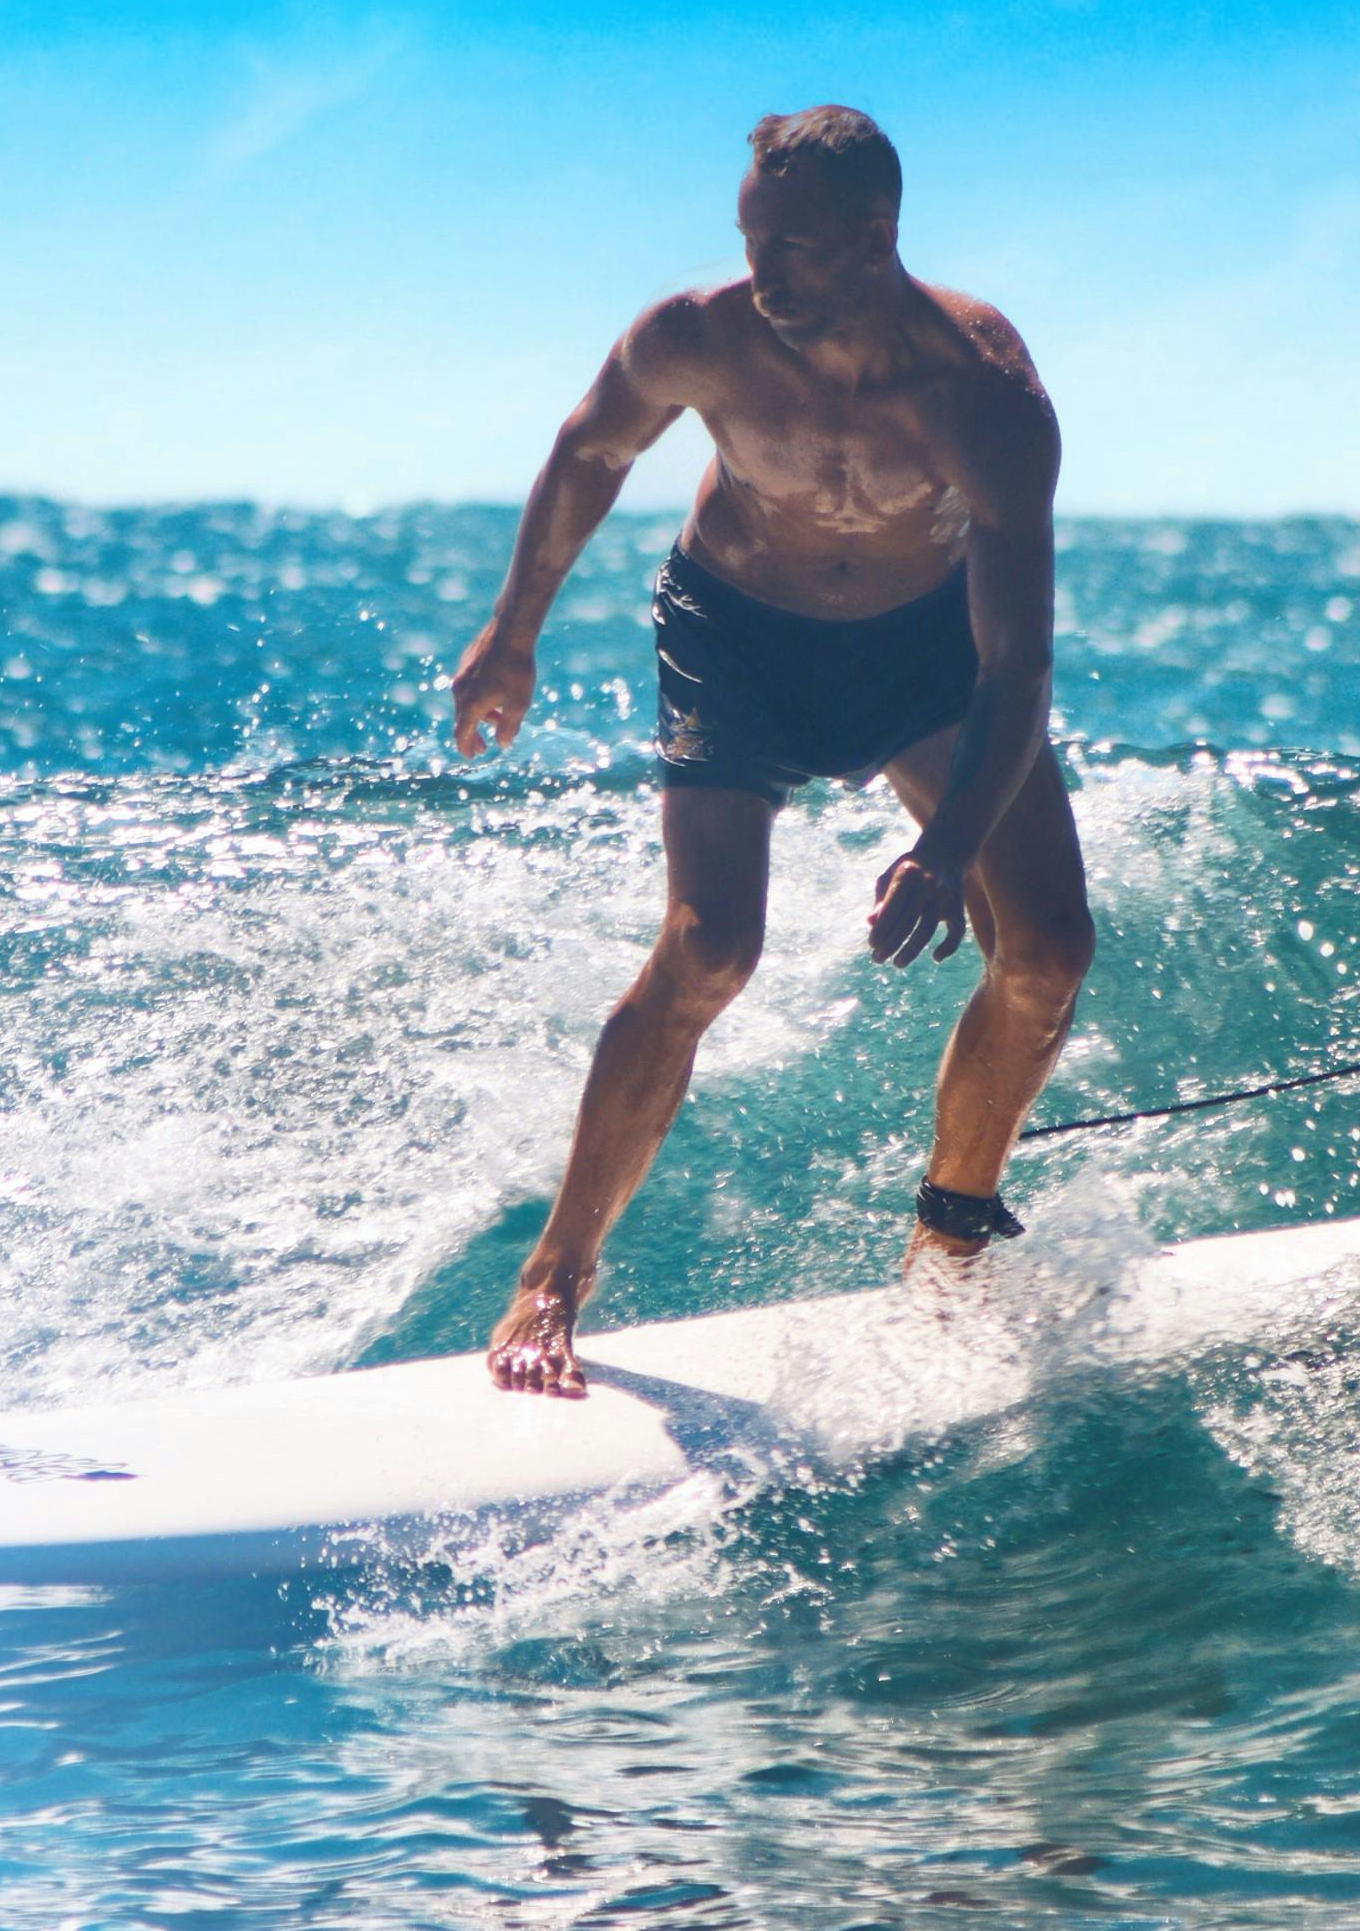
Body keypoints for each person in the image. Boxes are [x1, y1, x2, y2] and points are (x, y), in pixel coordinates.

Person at [449, 104, 1086, 1397]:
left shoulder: (987, 397)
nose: (765, 274)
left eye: (791, 249)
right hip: (737, 632)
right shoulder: (702, 334)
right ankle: (553, 1281)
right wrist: (513, 630)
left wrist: (946, 844)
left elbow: (1017, 664)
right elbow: (592, 448)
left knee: (1052, 951)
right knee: (710, 948)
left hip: (923, 653)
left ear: (875, 236)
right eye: (752, 241)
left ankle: (950, 1235)